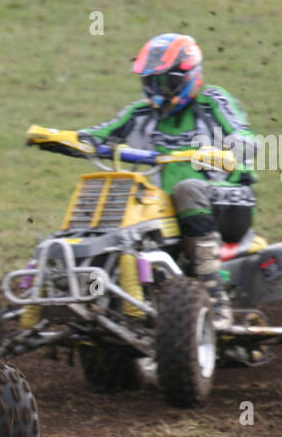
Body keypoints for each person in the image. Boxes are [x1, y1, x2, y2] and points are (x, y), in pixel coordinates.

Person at [77, 33, 259, 326]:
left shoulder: (213, 102)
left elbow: (245, 135)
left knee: (187, 188)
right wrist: (65, 139)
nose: (157, 92)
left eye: (166, 82)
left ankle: (214, 295)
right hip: (162, 206)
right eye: (151, 83)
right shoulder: (141, 114)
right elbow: (100, 133)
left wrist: (228, 148)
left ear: (189, 75)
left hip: (226, 200)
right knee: (112, 192)